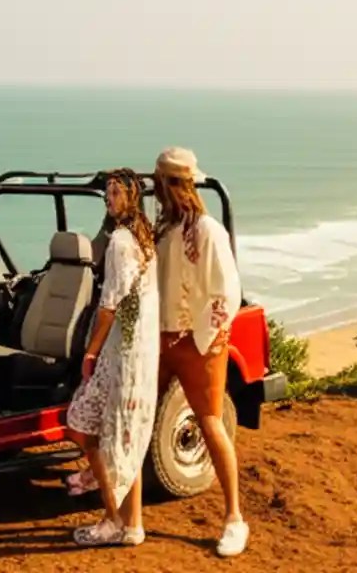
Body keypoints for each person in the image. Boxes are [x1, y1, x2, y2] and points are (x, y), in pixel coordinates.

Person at [152, 147, 247, 557]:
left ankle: (234, 519)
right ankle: (120, 512)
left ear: (170, 185)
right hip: (160, 339)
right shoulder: (165, 229)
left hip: (196, 343)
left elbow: (227, 290)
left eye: (158, 183)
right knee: (138, 415)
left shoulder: (207, 231)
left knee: (210, 422)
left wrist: (200, 339)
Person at [62, 168, 160, 547]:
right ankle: (130, 522)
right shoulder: (142, 238)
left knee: (86, 426)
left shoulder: (121, 241)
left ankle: (113, 518)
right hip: (136, 346)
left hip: (121, 349)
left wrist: (91, 350)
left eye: (116, 193)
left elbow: (110, 305)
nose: (110, 199)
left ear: (131, 197)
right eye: (107, 194)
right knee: (122, 434)